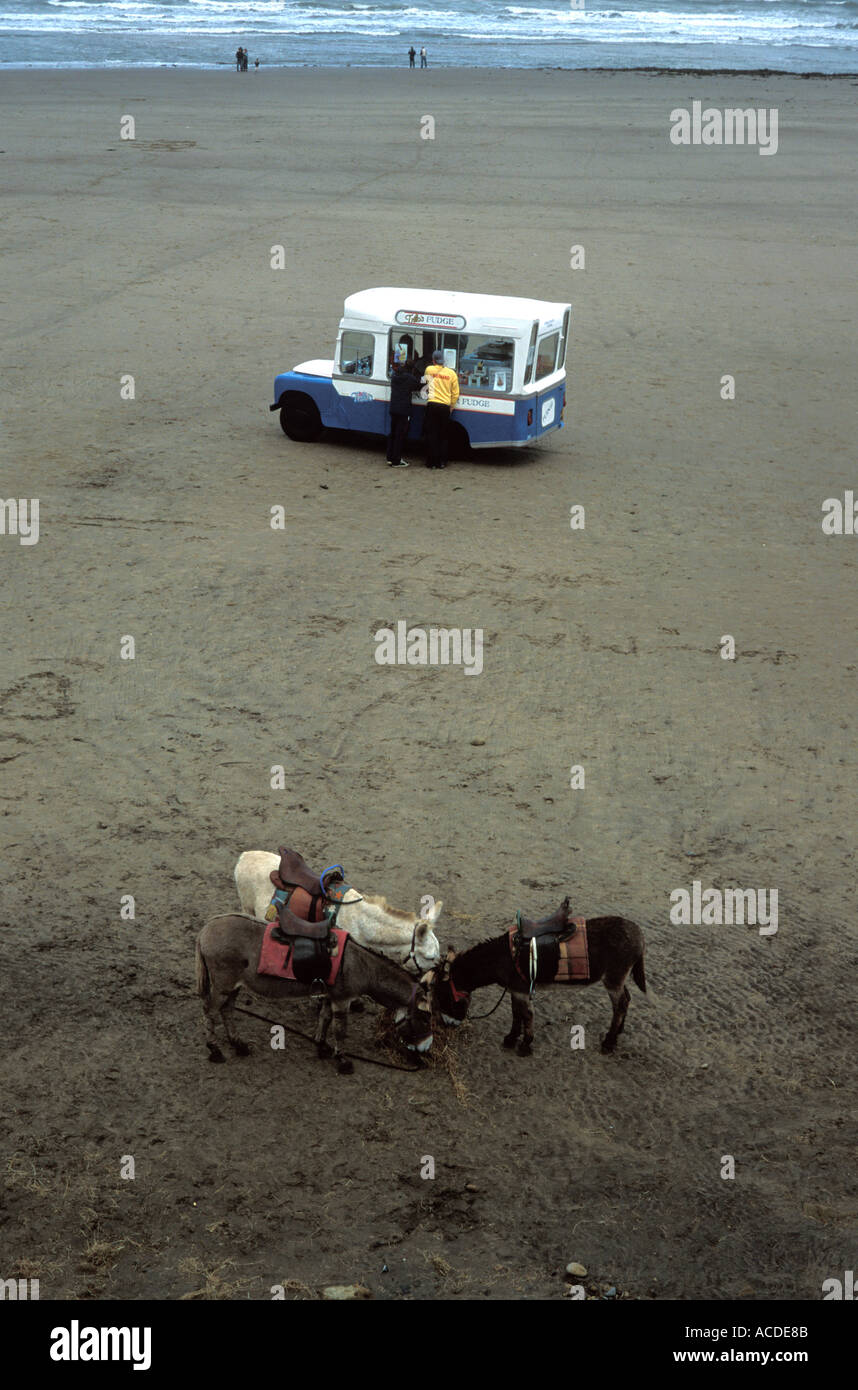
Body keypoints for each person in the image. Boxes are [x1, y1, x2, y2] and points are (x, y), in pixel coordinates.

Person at [422, 350, 459, 469]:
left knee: (431, 434)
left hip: (432, 404)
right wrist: (452, 406)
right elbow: (455, 393)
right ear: (444, 361)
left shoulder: (429, 369)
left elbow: (426, 382)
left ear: (433, 360)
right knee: (443, 435)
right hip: (444, 406)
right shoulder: (452, 373)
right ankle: (441, 462)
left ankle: (430, 462)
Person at [387, 359, 422, 468]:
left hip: (393, 408)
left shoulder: (394, 376)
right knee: (400, 436)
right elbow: (419, 385)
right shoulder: (410, 378)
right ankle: (396, 460)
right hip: (403, 410)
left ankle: (390, 457)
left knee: (392, 434)